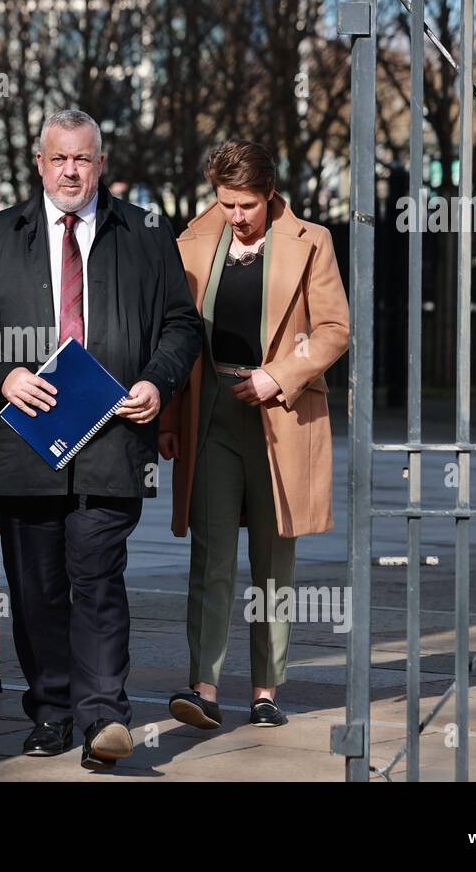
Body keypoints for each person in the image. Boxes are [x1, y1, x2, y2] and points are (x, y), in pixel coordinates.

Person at [0, 109, 202, 770]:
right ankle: (53, 710)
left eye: (82, 159)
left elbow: (181, 324)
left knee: (98, 574)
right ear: (39, 163)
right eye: (58, 159)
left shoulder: (143, 231)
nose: (70, 171)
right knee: (38, 587)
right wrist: (4, 374)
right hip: (28, 441)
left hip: (115, 437)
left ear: (101, 162)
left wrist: (156, 382)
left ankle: (103, 716)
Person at [157, 139, 349, 730]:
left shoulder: (311, 240)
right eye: (225, 203)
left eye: (245, 204)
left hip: (281, 410)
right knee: (210, 553)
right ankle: (204, 687)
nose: (236, 216)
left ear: (269, 193)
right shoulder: (193, 239)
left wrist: (278, 376)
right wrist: (168, 417)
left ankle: (266, 691)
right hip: (209, 407)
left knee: (274, 558)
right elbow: (175, 332)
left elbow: (335, 330)